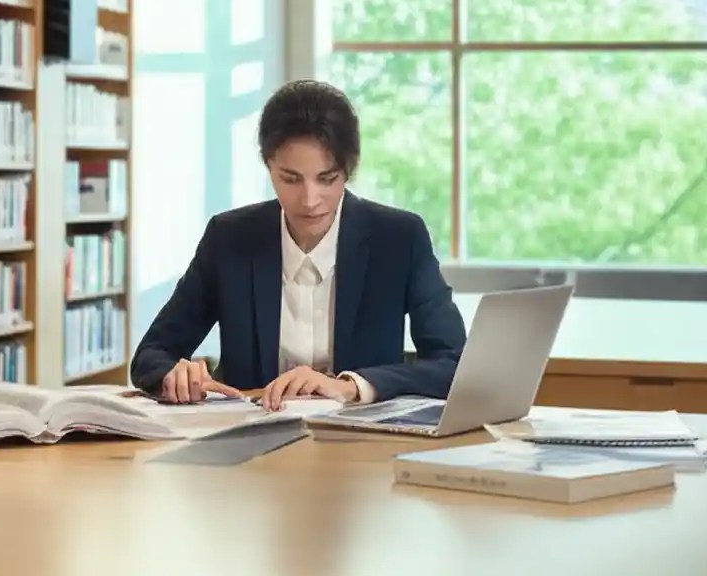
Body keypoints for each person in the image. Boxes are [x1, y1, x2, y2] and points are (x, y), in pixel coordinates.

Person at [129, 79, 467, 411]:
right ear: (268, 166)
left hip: (360, 448)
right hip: (246, 442)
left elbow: (454, 364)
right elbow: (150, 356)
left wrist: (350, 386)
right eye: (290, 179)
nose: (309, 200)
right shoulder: (229, 238)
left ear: (348, 171)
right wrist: (177, 374)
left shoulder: (398, 239)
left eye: (327, 178)